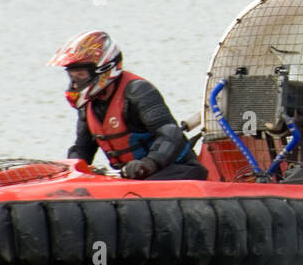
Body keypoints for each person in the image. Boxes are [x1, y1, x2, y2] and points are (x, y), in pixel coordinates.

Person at [48, 30, 207, 180]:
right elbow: (82, 148)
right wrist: (73, 168)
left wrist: (148, 164)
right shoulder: (88, 105)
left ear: (105, 69)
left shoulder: (138, 92)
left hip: (178, 171)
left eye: (81, 75)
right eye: (73, 77)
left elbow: (170, 133)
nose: (75, 85)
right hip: (130, 179)